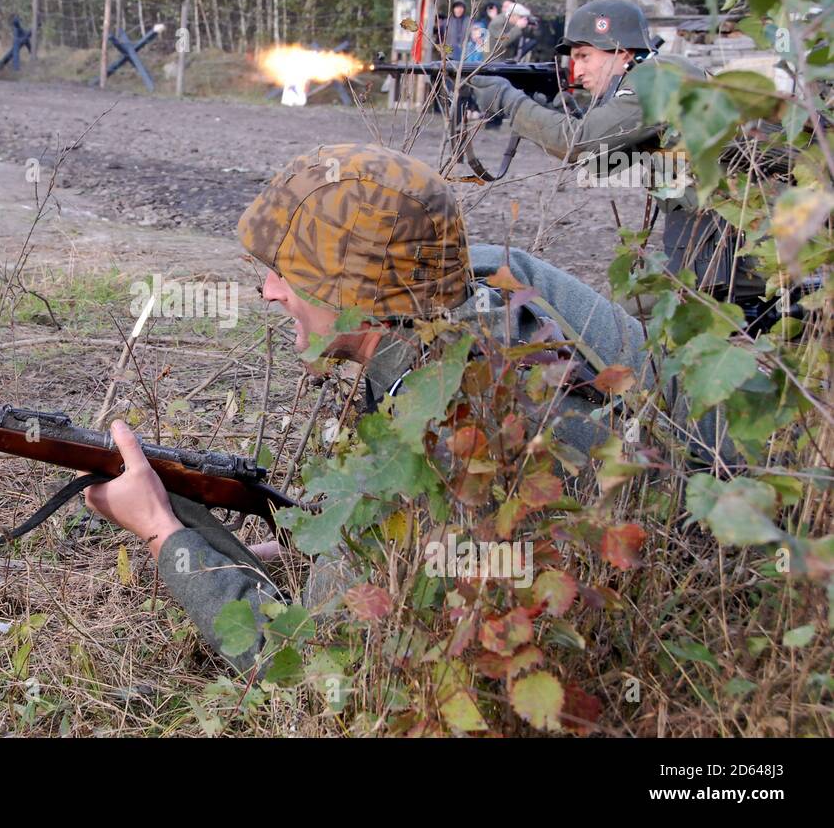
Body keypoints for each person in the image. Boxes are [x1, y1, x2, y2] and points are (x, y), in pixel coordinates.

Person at [81, 143, 659, 674]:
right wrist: (302, 551)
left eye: (290, 275)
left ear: (361, 297)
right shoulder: (494, 278)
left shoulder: (436, 436)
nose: (268, 292)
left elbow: (298, 667)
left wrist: (162, 533)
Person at [465, 0, 765, 309]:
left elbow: (580, 142)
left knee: (620, 326)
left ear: (622, 53)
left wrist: (510, 102)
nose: (576, 71)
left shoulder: (657, 77)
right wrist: (552, 107)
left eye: (584, 56)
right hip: (727, 234)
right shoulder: (655, 78)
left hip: (741, 236)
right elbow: (598, 163)